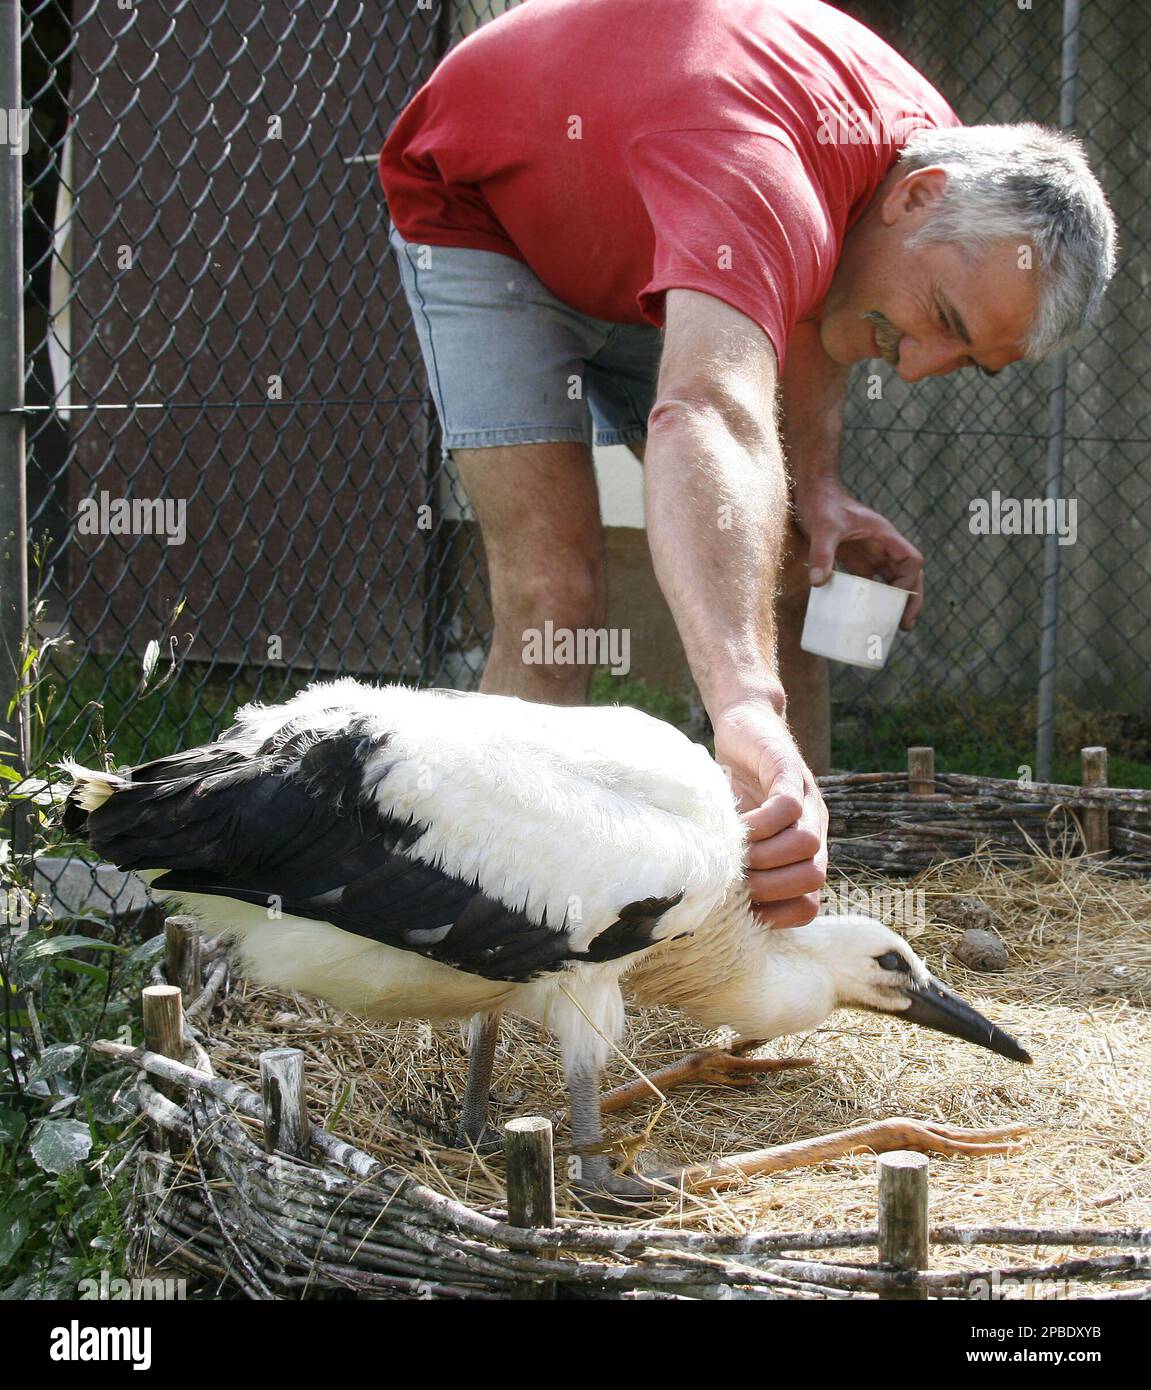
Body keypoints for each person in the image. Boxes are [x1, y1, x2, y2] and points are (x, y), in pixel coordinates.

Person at [378, 0, 1117, 928]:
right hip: (488, 214)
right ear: (916, 198)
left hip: (660, 222)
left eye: (968, 361)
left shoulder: (921, 164)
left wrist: (822, 489)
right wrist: (741, 699)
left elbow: (821, 303)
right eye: (945, 323)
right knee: (554, 590)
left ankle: (770, 924)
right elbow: (710, 412)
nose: (923, 366)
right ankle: (497, 927)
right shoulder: (762, 171)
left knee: (790, 561)